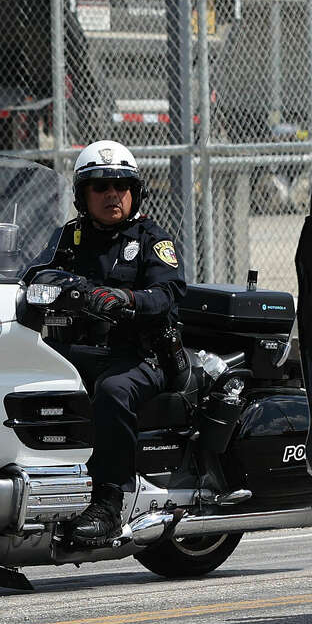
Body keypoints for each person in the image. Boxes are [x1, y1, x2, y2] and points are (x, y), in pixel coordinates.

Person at [61, 140, 186, 542]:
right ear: (84, 195)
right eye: (100, 187)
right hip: (83, 351)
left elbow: (169, 292)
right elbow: (35, 273)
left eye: (120, 185)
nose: (112, 194)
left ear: (135, 192)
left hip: (143, 356)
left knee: (113, 392)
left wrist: (127, 299)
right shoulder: (70, 238)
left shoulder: (152, 238)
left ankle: (109, 504)